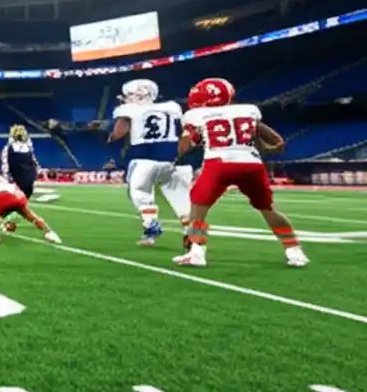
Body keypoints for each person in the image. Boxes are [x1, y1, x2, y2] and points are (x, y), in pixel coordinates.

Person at [175, 78, 307, 268]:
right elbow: (278, 142)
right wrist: (259, 150)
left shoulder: (195, 115)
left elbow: (183, 148)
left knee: (197, 210)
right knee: (268, 210)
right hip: (251, 164)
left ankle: (196, 252)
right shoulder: (248, 111)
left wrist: (191, 136)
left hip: (218, 164)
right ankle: (294, 251)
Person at [108, 78, 192, 247]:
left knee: (141, 195)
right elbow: (184, 131)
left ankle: (151, 230)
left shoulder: (128, 110)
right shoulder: (172, 107)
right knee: (180, 198)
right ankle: (192, 235)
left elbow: (119, 132)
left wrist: (109, 139)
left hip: (143, 158)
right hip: (170, 159)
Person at [0, 163, 61, 246]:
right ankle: (49, 232)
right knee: (28, 214)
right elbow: (4, 181)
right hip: (16, 192)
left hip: (1, 196)